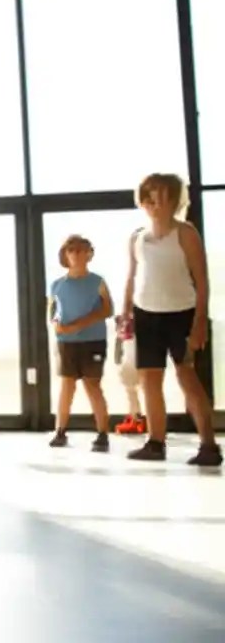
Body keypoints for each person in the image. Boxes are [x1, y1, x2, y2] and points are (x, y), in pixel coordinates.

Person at [123, 174, 221, 465]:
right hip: (145, 315)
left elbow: (202, 281)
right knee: (149, 380)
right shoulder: (137, 238)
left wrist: (200, 321)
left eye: (163, 198)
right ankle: (155, 442)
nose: (155, 204)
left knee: (187, 377)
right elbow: (132, 277)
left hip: (182, 315)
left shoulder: (186, 233)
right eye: (150, 198)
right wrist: (125, 312)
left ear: (175, 201)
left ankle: (209, 446)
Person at [47, 235, 112, 452]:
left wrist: (80, 324)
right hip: (66, 342)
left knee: (92, 385)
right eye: (72, 250)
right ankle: (60, 432)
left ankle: (102, 434)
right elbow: (52, 312)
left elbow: (107, 309)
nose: (77, 254)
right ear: (66, 255)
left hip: (93, 341)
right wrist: (58, 324)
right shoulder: (57, 285)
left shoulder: (97, 281)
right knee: (67, 385)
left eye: (82, 250)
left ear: (89, 254)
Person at [112, 314, 146, 434]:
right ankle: (136, 416)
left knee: (131, 387)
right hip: (139, 342)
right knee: (143, 387)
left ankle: (136, 418)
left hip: (131, 346)